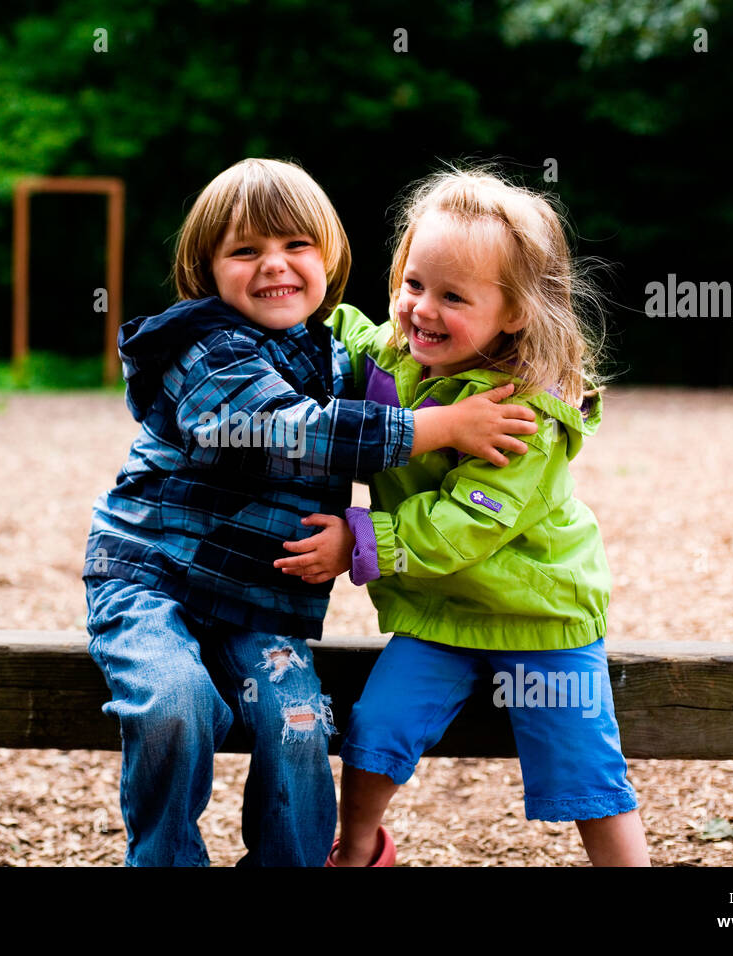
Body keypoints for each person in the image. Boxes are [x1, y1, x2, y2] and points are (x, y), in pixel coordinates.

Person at [82, 158, 540, 866]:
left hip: (261, 603)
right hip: (152, 580)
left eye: (296, 245)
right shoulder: (204, 349)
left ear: (328, 255)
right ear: (207, 270)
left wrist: (537, 381)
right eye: (246, 250)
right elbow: (294, 426)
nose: (275, 265)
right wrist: (441, 430)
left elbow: (428, 361)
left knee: (298, 724)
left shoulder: (334, 352)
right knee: (175, 702)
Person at [275, 166, 651, 867]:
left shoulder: (526, 412)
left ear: (514, 313)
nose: (421, 309)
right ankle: (357, 851)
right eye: (414, 285)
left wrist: (361, 539)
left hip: (540, 615)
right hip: (441, 615)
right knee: (374, 734)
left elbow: (464, 522)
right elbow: (351, 336)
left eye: (453, 296)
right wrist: (298, 295)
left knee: (587, 774)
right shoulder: (396, 356)